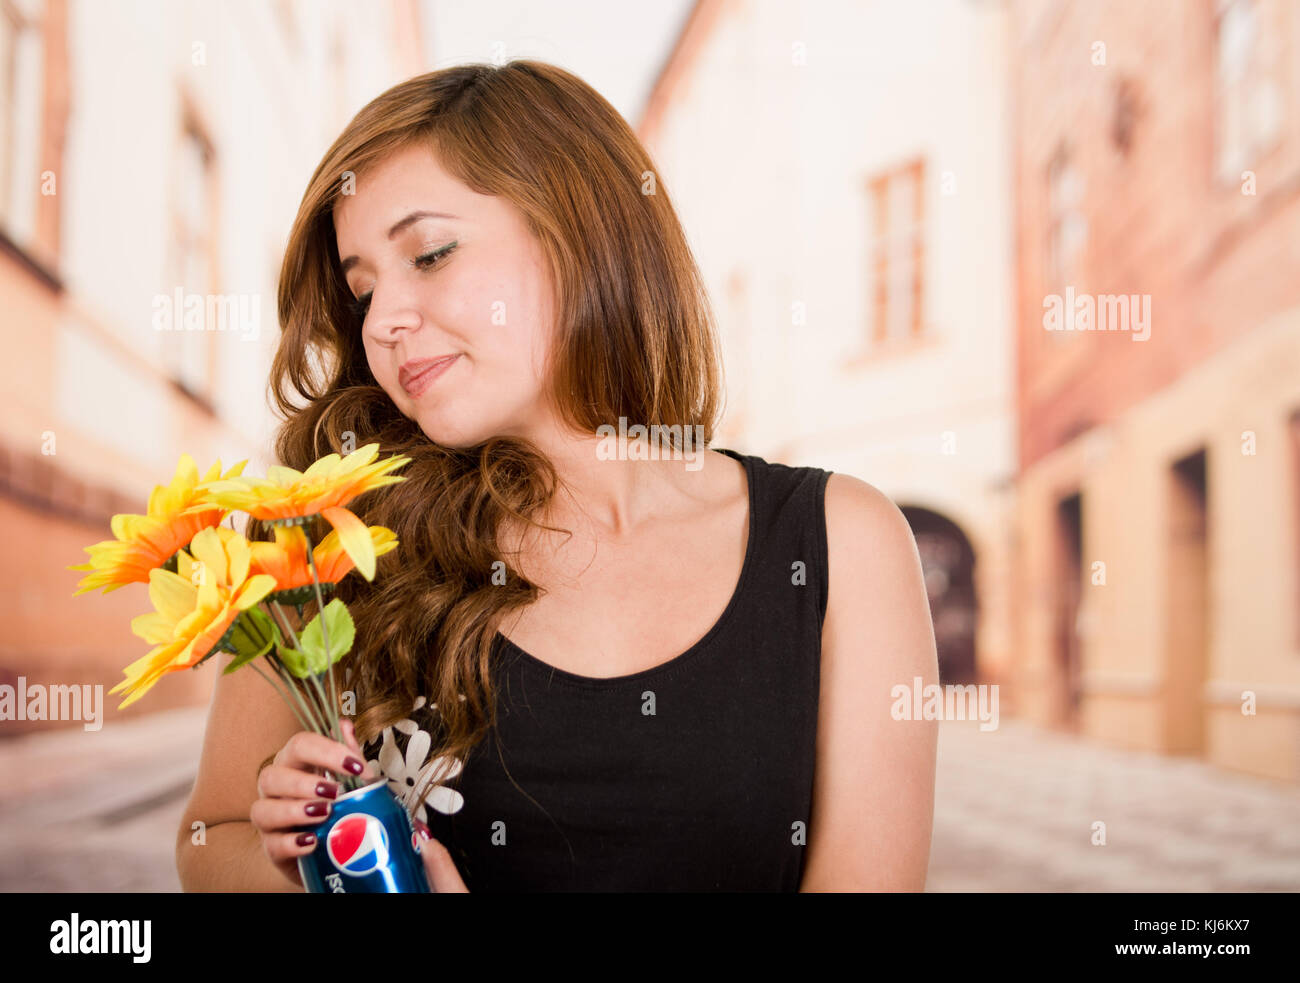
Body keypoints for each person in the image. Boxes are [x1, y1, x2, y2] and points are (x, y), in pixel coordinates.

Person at [175, 60, 938, 892]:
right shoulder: (324, 544)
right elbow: (212, 840)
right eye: (361, 291)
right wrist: (304, 860)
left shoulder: (842, 546)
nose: (385, 322)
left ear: (580, 233)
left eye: (429, 254)